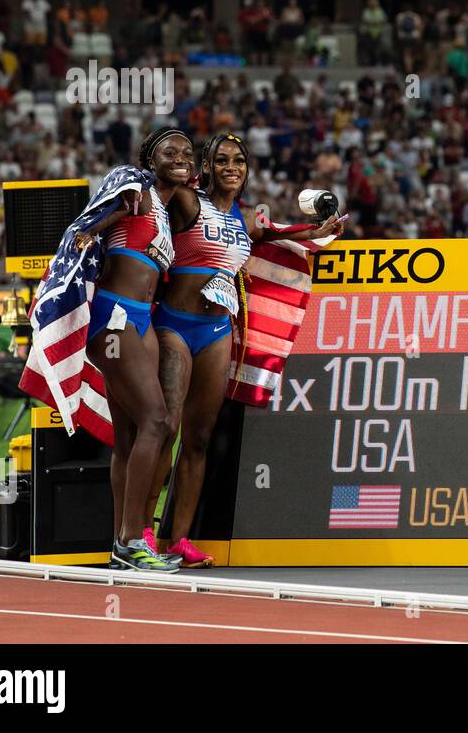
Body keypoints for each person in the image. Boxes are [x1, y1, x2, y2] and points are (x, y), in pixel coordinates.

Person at [147, 133, 344, 567]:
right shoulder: (185, 199)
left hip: (216, 330)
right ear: (207, 165)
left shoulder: (242, 219)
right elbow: (153, 190)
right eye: (221, 160)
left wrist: (320, 230)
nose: (231, 167)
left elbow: (273, 236)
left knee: (198, 438)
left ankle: (177, 542)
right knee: (167, 426)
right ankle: (142, 535)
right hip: (174, 325)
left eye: (238, 160)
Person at [71, 128, 194, 572]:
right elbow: (87, 226)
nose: (180, 156)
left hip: (140, 316)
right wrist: (105, 220)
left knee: (128, 437)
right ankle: (130, 539)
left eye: (186, 152)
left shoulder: (165, 206)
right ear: (149, 157)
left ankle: (121, 545)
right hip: (115, 315)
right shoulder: (134, 186)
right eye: (169, 150)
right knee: (159, 421)